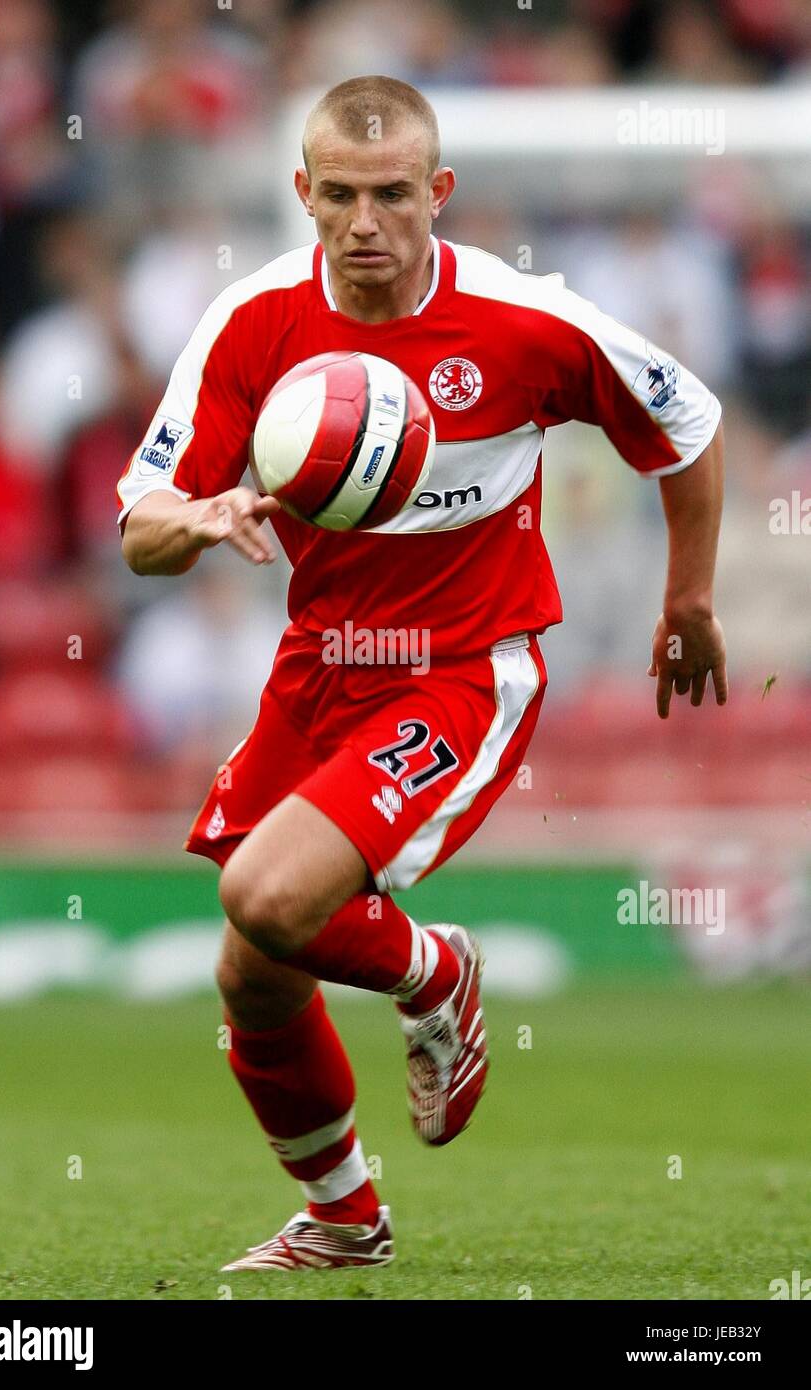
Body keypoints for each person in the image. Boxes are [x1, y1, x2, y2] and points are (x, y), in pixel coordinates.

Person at [116, 75, 728, 1272]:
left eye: (391, 194)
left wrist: (688, 597)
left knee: (266, 901)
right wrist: (190, 519)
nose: (363, 223)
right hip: (318, 666)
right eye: (337, 195)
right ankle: (345, 1219)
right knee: (251, 973)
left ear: (437, 194)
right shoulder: (250, 323)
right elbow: (138, 528)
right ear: (300, 192)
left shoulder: (520, 320)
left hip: (462, 669)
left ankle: (438, 969)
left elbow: (686, 421)